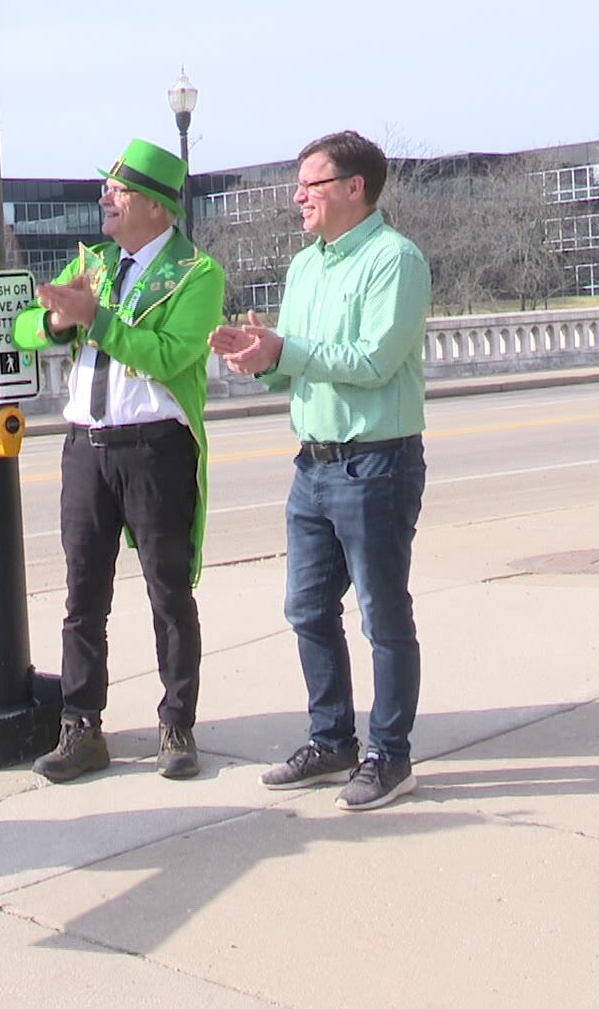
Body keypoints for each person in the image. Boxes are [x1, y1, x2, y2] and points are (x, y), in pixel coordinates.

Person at [210, 130, 431, 812]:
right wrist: (263, 356)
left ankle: (389, 756)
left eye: (311, 182)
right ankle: (331, 739)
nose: (297, 195)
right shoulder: (307, 265)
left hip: (377, 464)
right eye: (298, 183)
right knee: (306, 607)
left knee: (382, 616)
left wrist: (290, 349)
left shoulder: (396, 260)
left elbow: (372, 362)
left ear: (354, 187)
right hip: (312, 465)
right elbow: (299, 365)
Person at [11, 138, 225, 783]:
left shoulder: (196, 274)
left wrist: (94, 319)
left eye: (120, 190)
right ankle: (81, 726)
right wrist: (53, 323)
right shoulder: (95, 263)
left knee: (167, 592)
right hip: (86, 447)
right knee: (83, 596)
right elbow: (23, 330)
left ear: (157, 207)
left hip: (155, 448)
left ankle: (177, 723)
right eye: (108, 187)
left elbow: (170, 355)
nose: (107, 198)